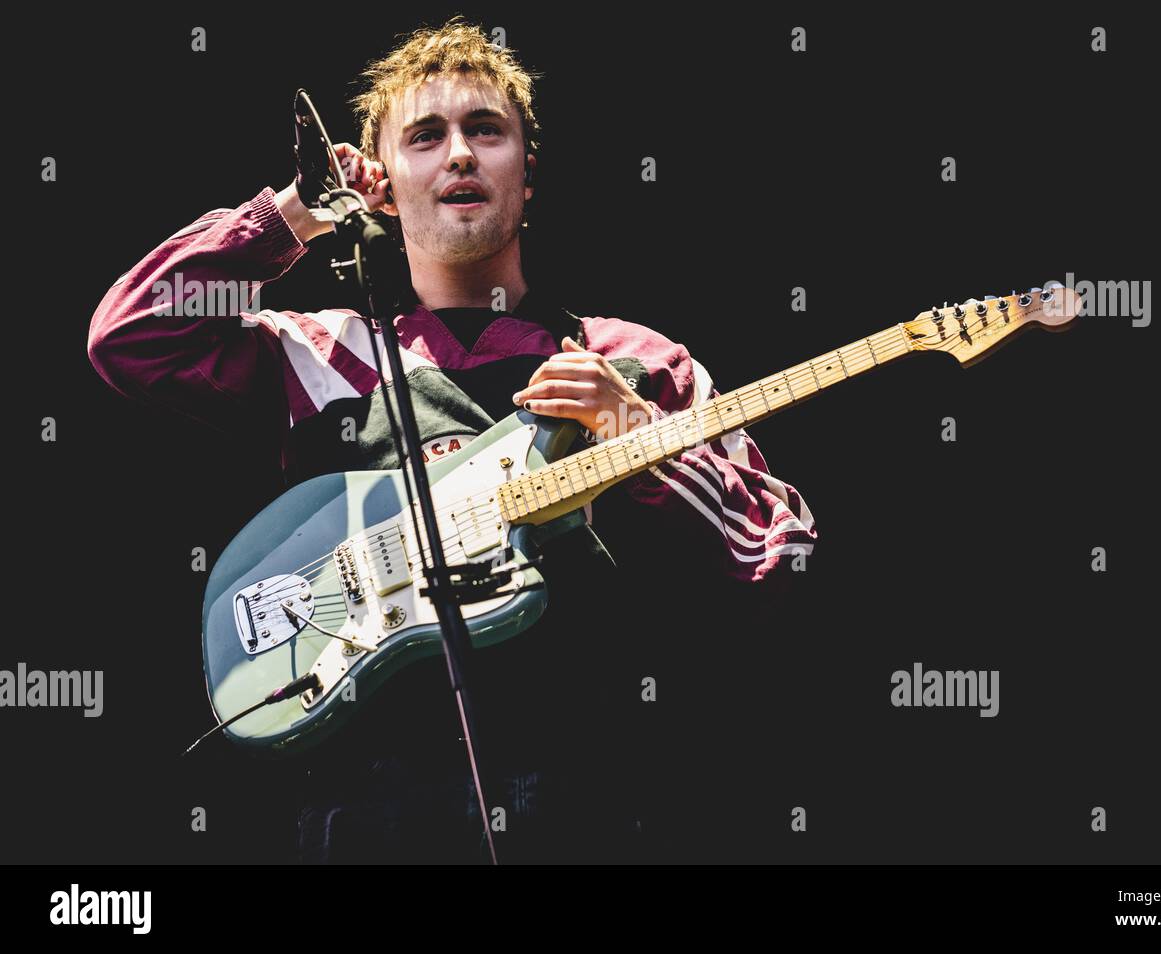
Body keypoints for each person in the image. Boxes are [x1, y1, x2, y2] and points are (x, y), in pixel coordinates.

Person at [87, 17, 817, 863]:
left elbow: (782, 552)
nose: (460, 155)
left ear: (528, 174)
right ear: (383, 188)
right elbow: (128, 335)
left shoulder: (636, 362)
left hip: (592, 805)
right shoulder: (317, 354)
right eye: (425, 137)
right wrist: (295, 214)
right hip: (360, 817)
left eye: (486, 130)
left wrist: (634, 431)